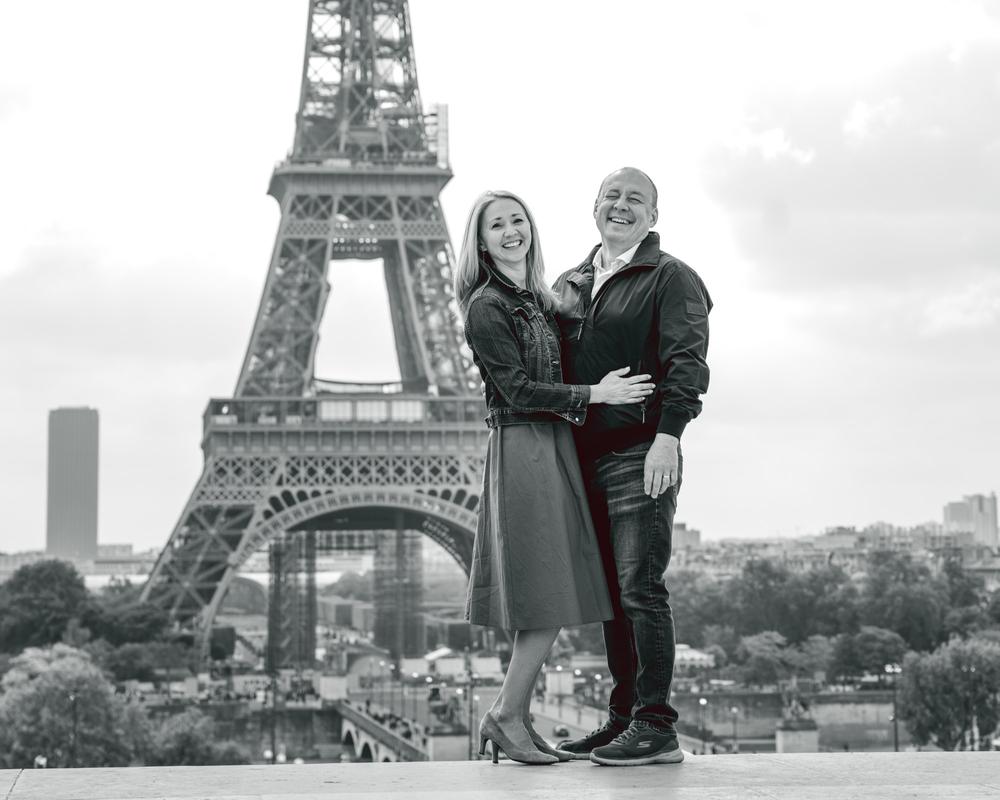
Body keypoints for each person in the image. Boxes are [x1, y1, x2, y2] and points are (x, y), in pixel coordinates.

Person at [455, 189, 655, 765]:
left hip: (554, 444)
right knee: (548, 594)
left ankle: (511, 716)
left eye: (518, 220)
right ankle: (505, 715)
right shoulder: (487, 305)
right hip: (526, 446)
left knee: (554, 591)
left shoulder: (540, 300)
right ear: (481, 242)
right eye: (497, 225)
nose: (511, 231)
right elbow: (516, 389)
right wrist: (598, 394)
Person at [554, 167, 712, 766]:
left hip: (639, 452)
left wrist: (668, 437)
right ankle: (623, 719)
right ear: (595, 206)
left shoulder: (671, 276)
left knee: (641, 591)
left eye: (635, 199)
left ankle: (655, 724)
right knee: (614, 599)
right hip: (584, 457)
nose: (622, 206)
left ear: (653, 216)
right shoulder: (572, 282)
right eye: (612, 196)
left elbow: (686, 362)